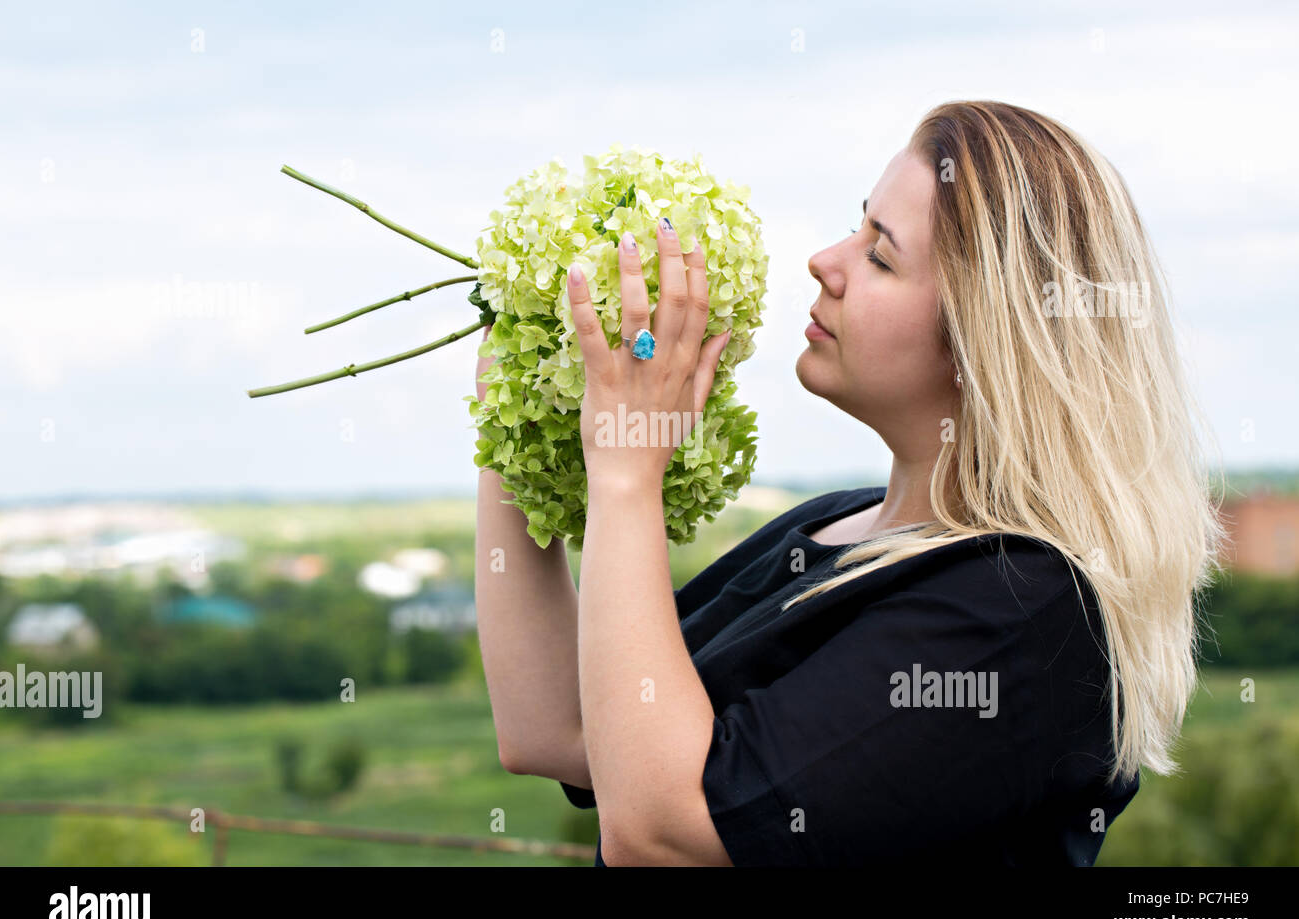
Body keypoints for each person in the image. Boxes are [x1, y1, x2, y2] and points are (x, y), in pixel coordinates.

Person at [473, 100, 1226, 866]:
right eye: (857, 224)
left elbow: (661, 835)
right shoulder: (835, 529)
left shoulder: (1019, 608)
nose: (826, 261)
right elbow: (559, 728)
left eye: (880, 255)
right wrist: (515, 423)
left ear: (981, 338)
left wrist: (629, 475)